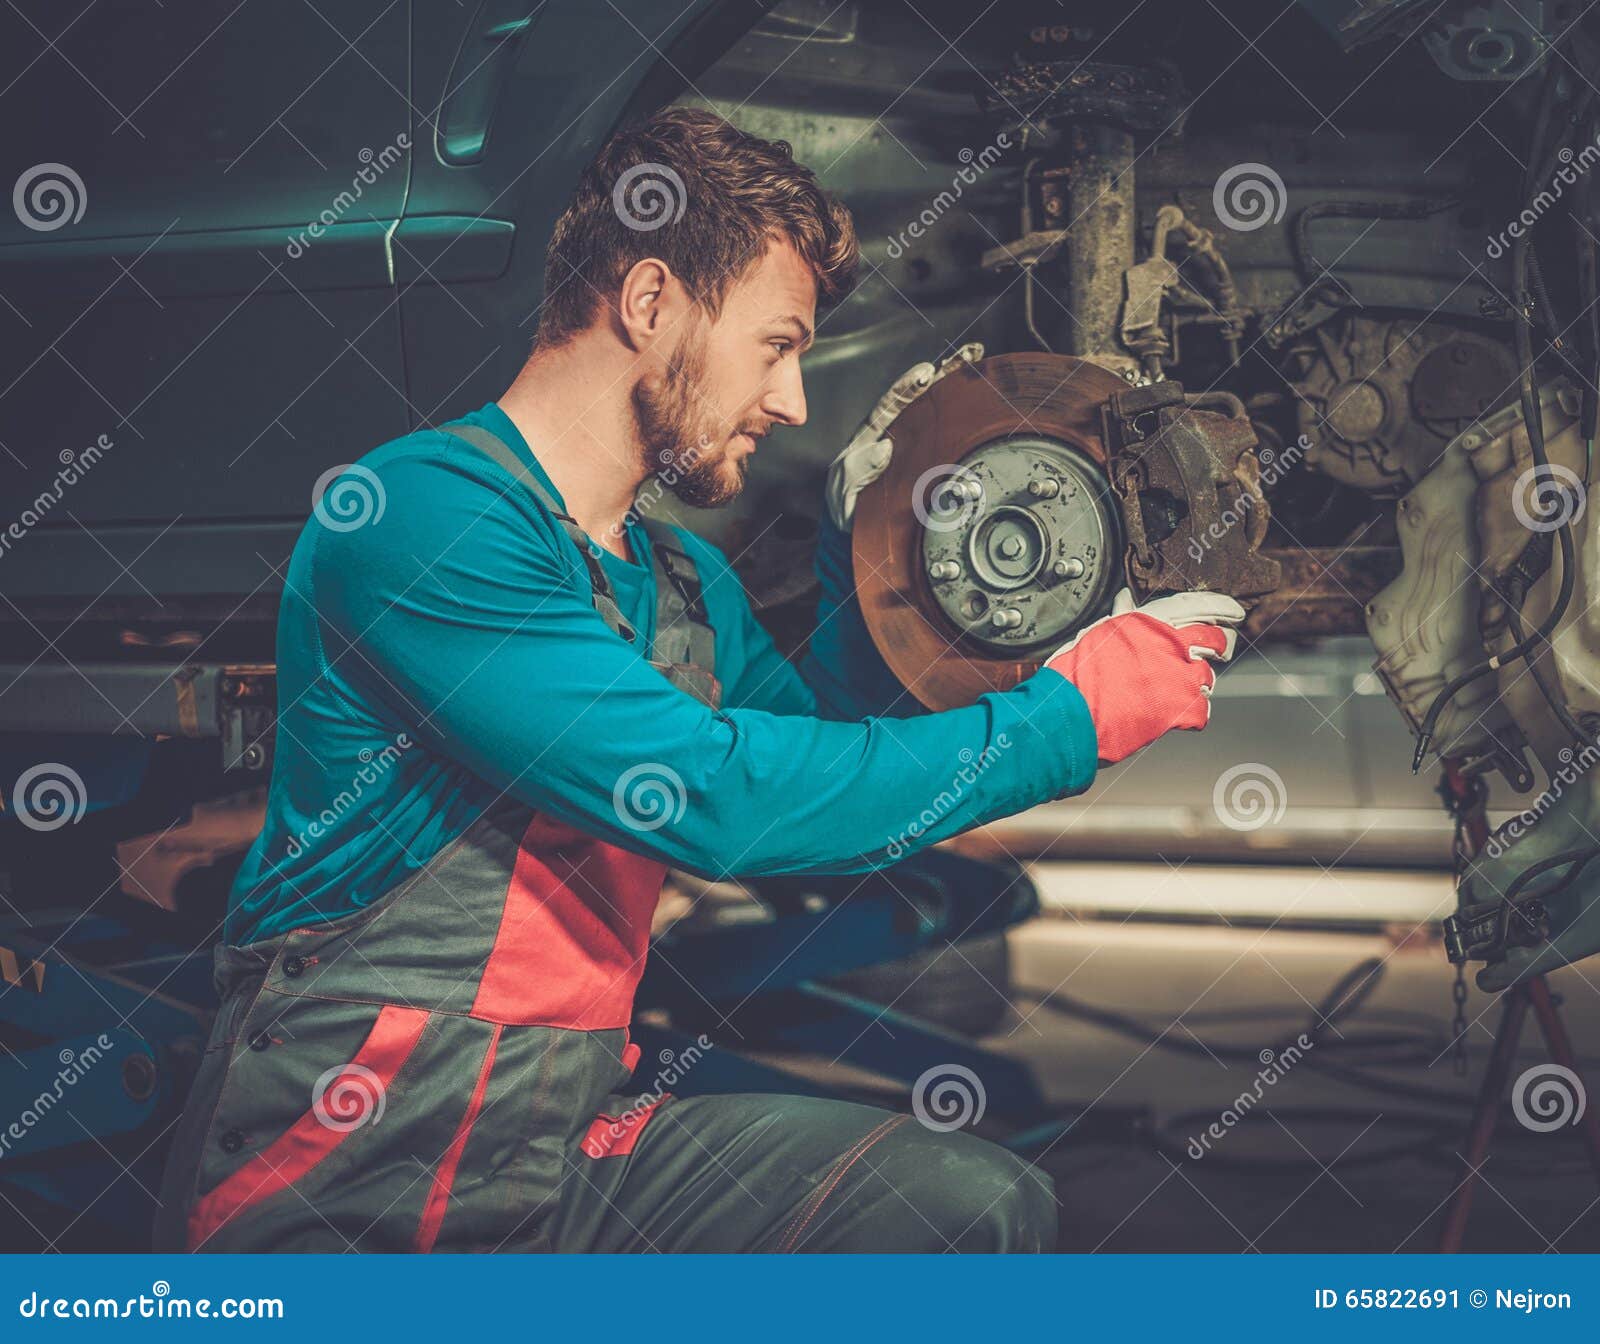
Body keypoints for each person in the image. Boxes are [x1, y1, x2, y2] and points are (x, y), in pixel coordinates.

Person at [152, 106, 1243, 1255]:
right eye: (777, 346)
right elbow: (711, 796)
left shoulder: (679, 580)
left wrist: (855, 548)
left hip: (550, 1143)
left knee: (966, 1207)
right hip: (352, 1164)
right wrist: (1066, 722)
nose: (793, 403)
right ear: (650, 301)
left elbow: (823, 773)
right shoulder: (424, 517)